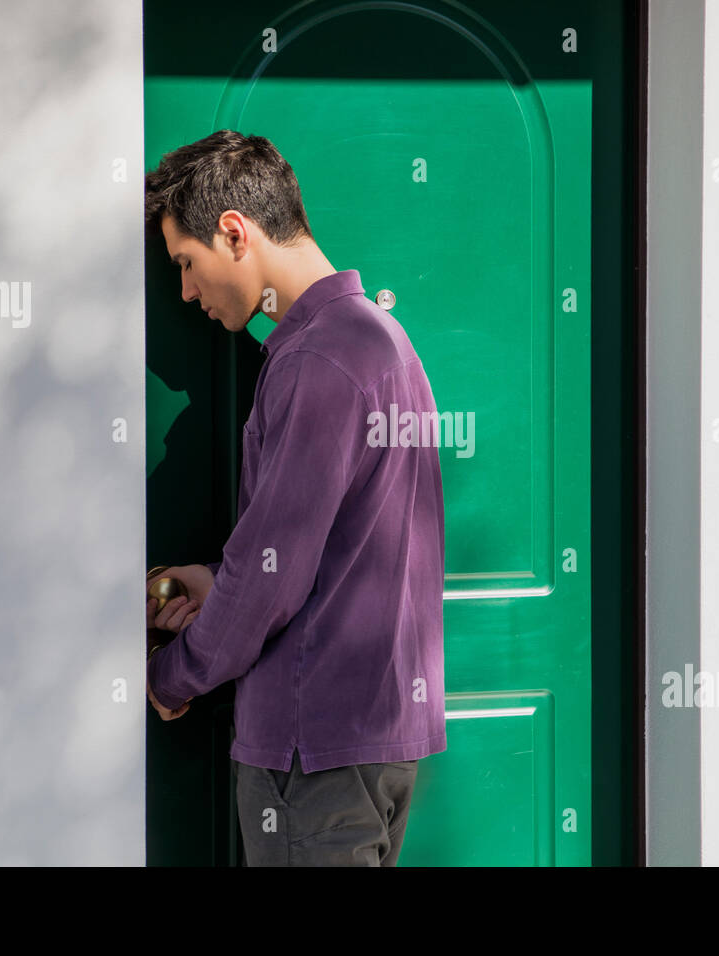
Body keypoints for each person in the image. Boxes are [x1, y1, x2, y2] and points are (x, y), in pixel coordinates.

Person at [141, 130, 446, 866]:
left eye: (187, 262)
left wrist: (173, 675)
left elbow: (272, 581)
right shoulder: (385, 340)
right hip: (378, 742)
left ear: (235, 232)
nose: (185, 291)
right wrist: (218, 586)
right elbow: (343, 550)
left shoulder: (316, 360)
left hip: (310, 759)